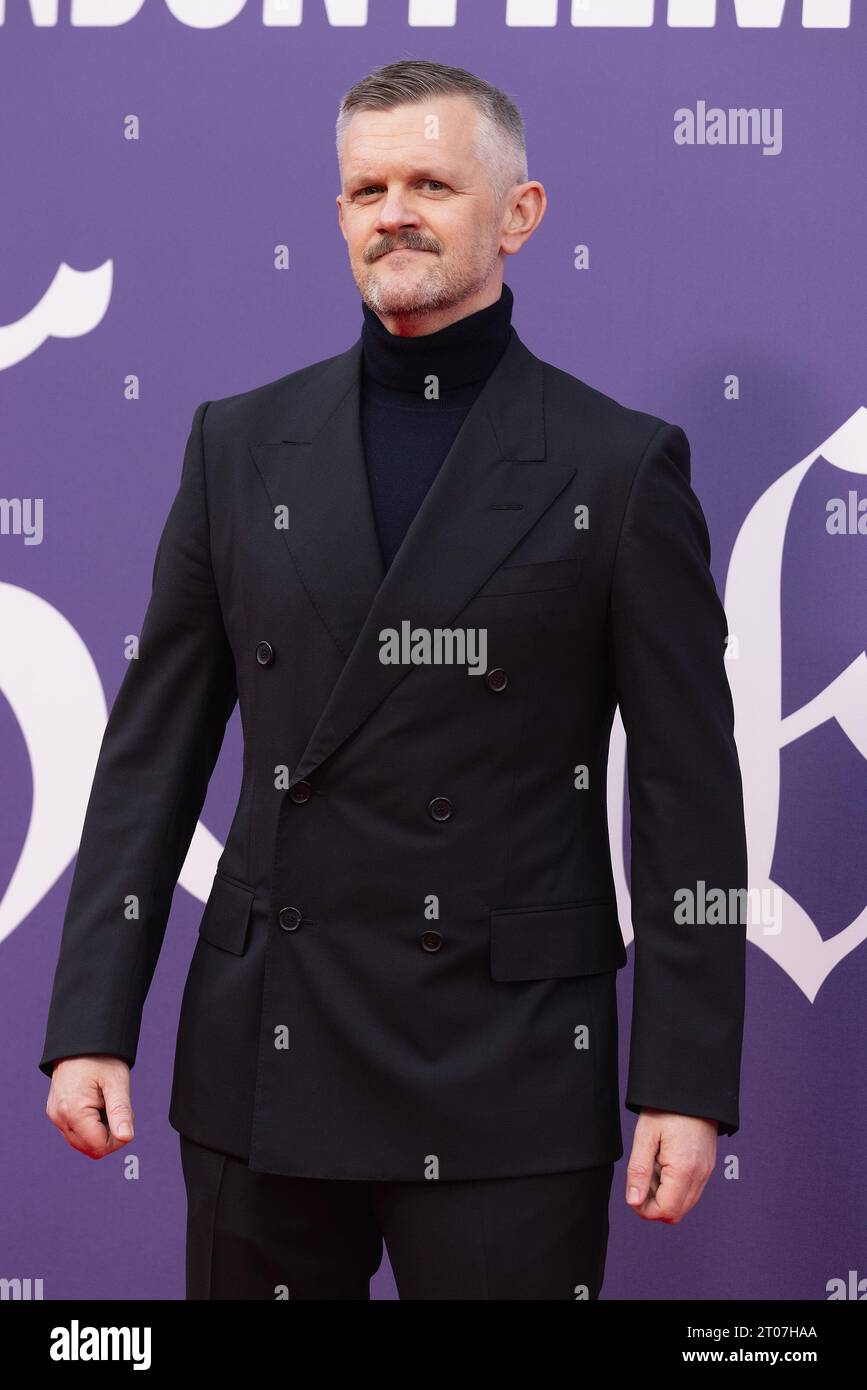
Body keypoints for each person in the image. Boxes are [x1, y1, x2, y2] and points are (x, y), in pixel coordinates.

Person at [40, 59, 747, 1301]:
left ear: (519, 214)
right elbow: (147, 762)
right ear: (339, 216)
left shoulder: (619, 467)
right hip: (268, 1053)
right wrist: (92, 1020)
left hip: (508, 1073)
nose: (393, 212)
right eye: (366, 188)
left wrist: (684, 1083)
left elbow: (691, 802)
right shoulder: (238, 443)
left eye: (431, 182)